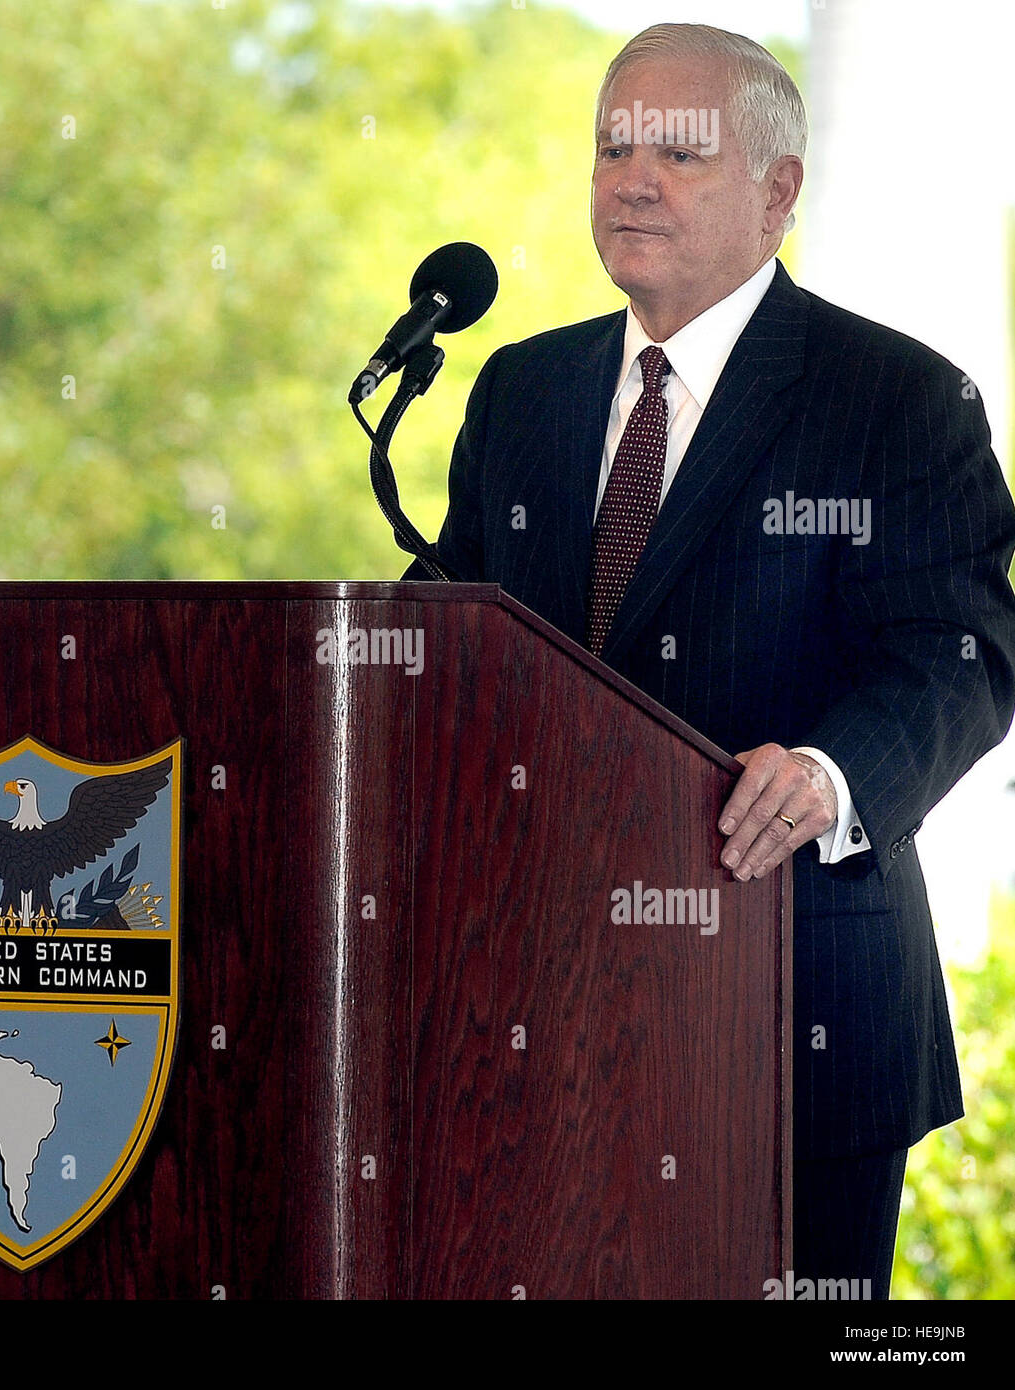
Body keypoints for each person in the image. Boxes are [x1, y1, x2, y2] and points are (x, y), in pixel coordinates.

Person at [405, 22, 1015, 1298]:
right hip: (535, 1007)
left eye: (678, 152)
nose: (632, 178)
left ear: (777, 187)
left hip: (791, 1008)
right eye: (611, 147)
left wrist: (831, 774)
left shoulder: (895, 398)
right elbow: (451, 627)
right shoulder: (520, 389)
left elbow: (956, 655)